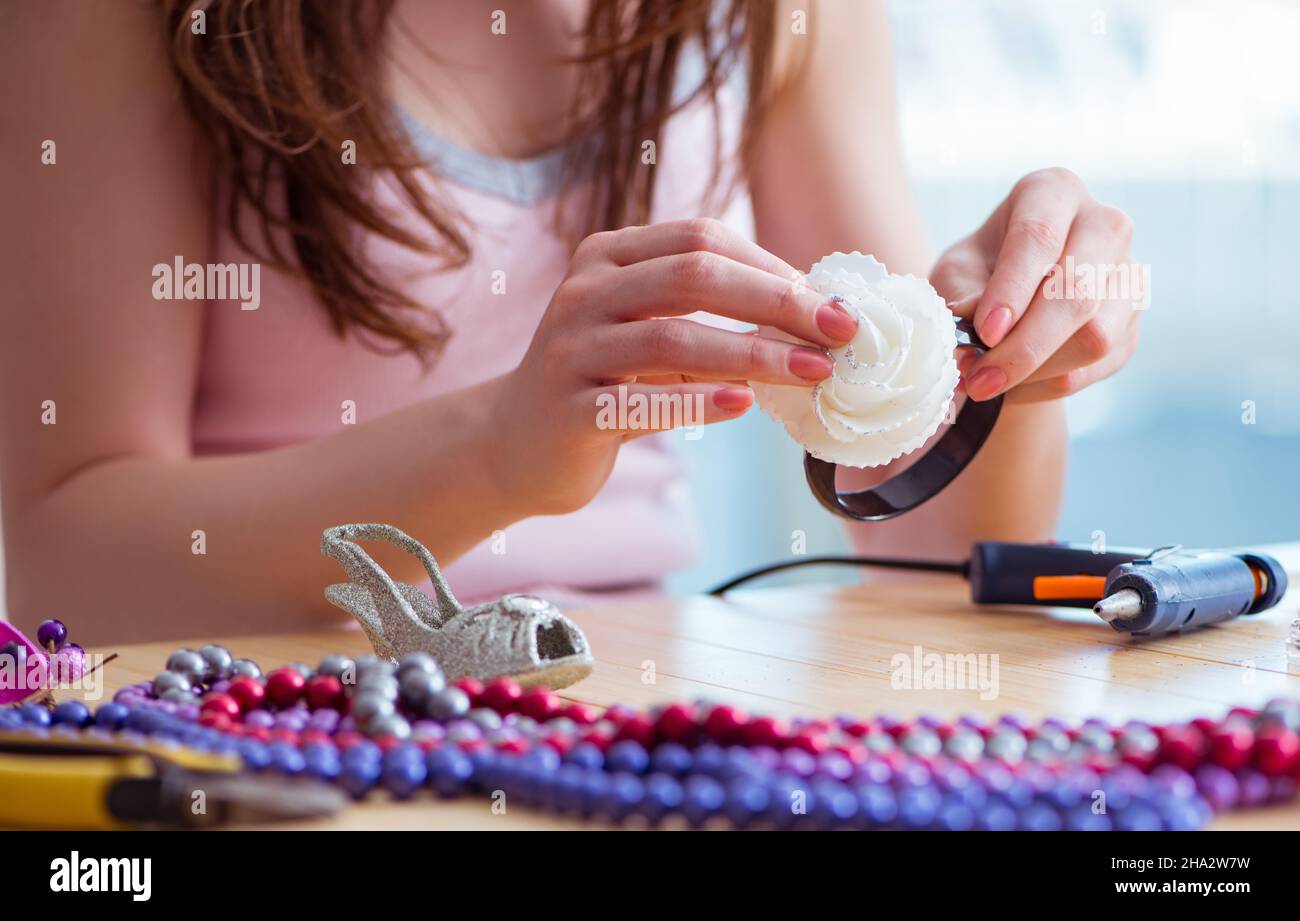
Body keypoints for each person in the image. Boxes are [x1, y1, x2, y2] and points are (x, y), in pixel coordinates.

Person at [0, 1, 1140, 644]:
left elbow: (924, 550)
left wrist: (998, 359)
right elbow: (66, 568)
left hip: (633, 736)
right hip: (257, 733)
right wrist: (494, 456)